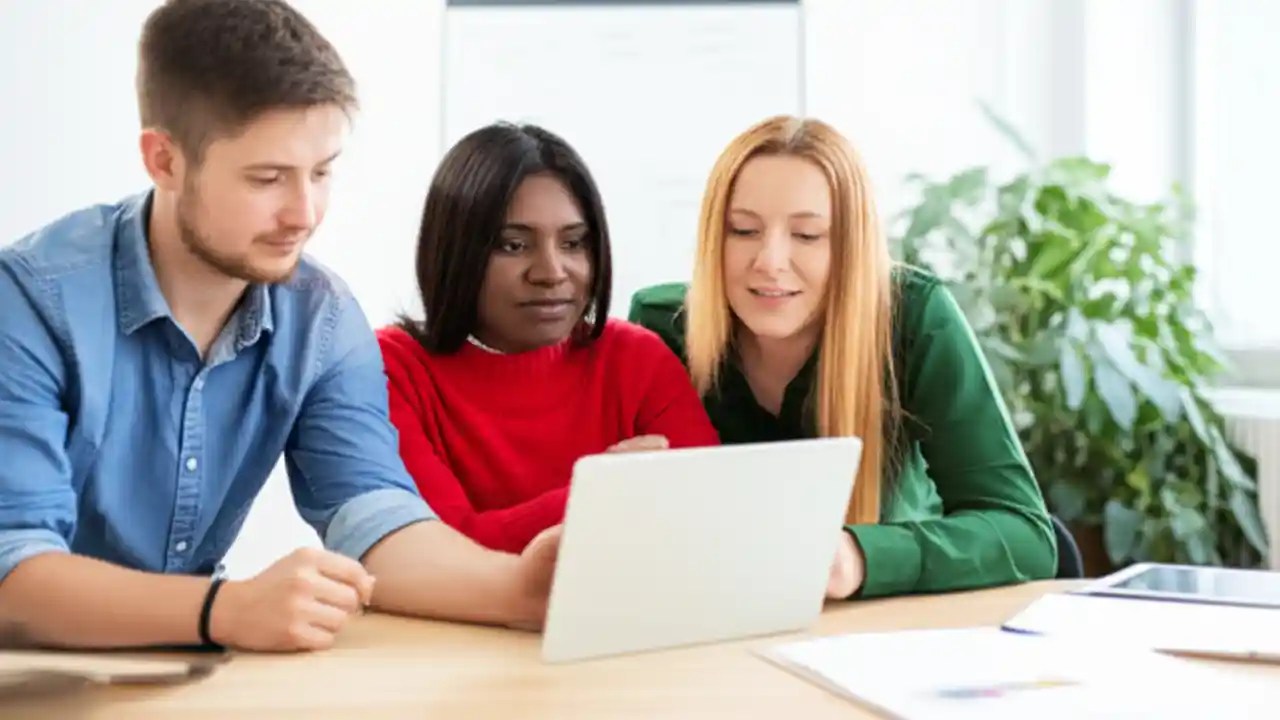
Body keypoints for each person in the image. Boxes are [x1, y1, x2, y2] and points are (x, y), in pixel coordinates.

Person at [0, 0, 559, 653]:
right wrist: (223, 609)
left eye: (321, 172)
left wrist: (514, 588)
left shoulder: (319, 314)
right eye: (268, 178)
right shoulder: (30, 302)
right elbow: (12, 575)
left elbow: (372, 516)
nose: (304, 214)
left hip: (170, 684)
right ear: (165, 161)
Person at [629, 115, 1056, 600]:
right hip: (715, 620)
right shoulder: (662, 326)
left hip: (882, 630)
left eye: (808, 236)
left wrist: (858, 556)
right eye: (743, 230)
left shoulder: (914, 319)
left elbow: (1025, 537)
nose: (769, 260)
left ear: (850, 248)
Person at [378, 122, 720, 554]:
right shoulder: (393, 370)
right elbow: (444, 551)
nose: (552, 272)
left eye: (574, 243)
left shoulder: (637, 359)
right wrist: (604, 490)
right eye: (513, 245)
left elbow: (707, 518)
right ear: (455, 249)